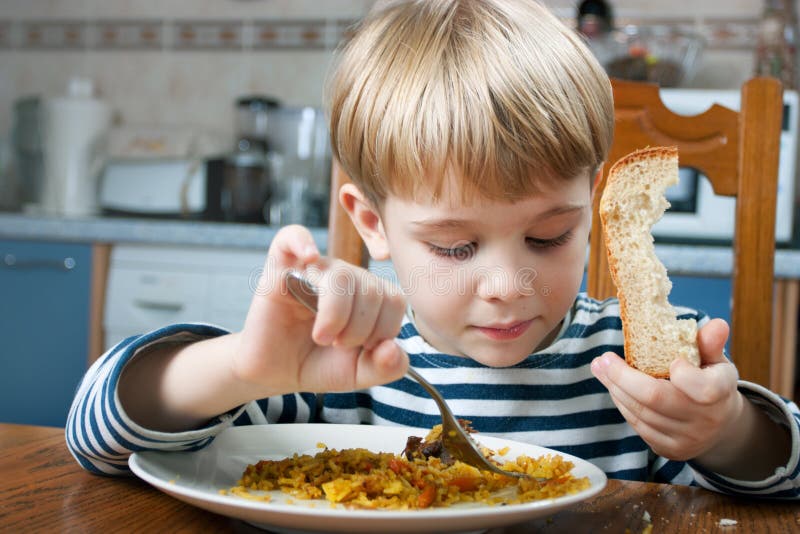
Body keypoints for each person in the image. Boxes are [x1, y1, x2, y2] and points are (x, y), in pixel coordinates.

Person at [67, 0, 799, 498]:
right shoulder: (340, 368)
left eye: (548, 235)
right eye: (454, 247)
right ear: (372, 222)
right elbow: (95, 438)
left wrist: (726, 432)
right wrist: (239, 370)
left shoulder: (638, 372)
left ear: (594, 204)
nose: (508, 284)